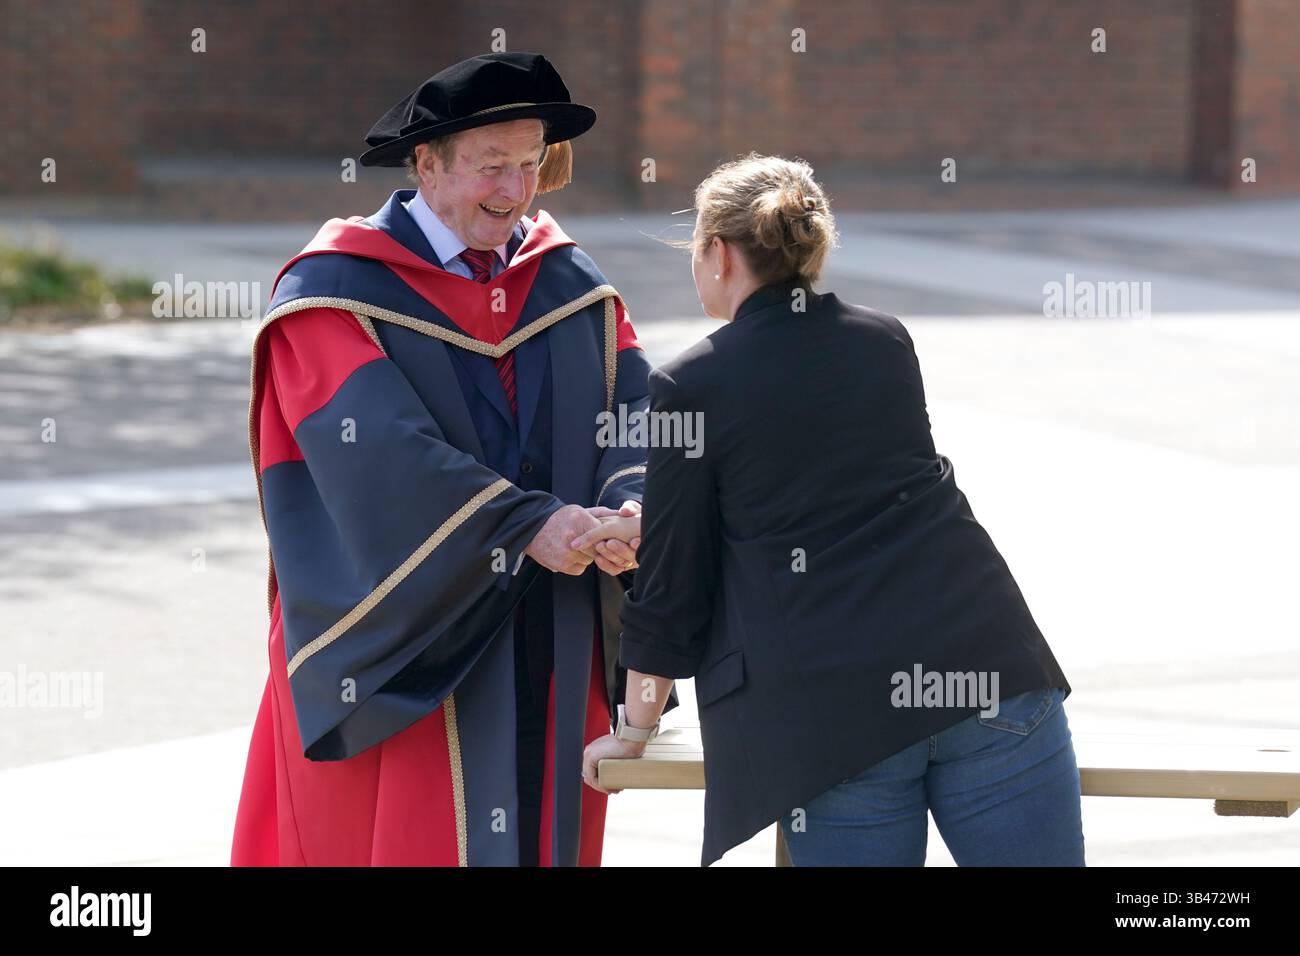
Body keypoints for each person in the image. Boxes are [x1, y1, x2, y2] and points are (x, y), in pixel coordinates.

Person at [579, 153, 1084, 867]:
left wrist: (633, 726)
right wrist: (661, 520)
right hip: (988, 660)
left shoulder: (688, 381)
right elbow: (848, 486)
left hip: (837, 712)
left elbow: (673, 582)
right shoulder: (883, 340)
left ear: (720, 254)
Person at [230, 52, 670, 868]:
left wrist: (632, 506)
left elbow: (637, 406)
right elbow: (379, 457)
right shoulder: (335, 295)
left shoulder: (569, 286)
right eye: (491, 166)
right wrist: (529, 523)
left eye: (530, 164)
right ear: (427, 166)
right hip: (412, 642)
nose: (514, 189)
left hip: (552, 627)